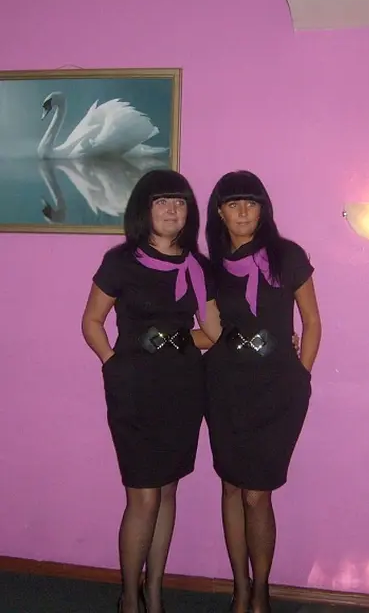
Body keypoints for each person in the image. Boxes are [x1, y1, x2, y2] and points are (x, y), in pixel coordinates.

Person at [81, 170, 221, 613]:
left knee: (168, 491)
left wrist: (177, 341)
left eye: (179, 202)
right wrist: (113, 361)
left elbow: (212, 332)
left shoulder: (197, 266)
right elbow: (92, 322)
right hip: (134, 389)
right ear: (144, 209)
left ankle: (154, 593)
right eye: (162, 201)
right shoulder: (121, 261)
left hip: (182, 387)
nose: (172, 210)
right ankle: (129, 596)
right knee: (143, 494)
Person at [203, 171, 322, 613]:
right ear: (219, 211)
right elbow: (211, 331)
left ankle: (261, 589)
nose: (242, 212)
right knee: (231, 489)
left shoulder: (287, 256)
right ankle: (240, 587)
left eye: (250, 203)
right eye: (233, 203)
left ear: (263, 209)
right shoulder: (211, 267)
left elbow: (312, 321)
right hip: (224, 385)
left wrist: (301, 373)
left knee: (257, 493)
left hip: (277, 388)